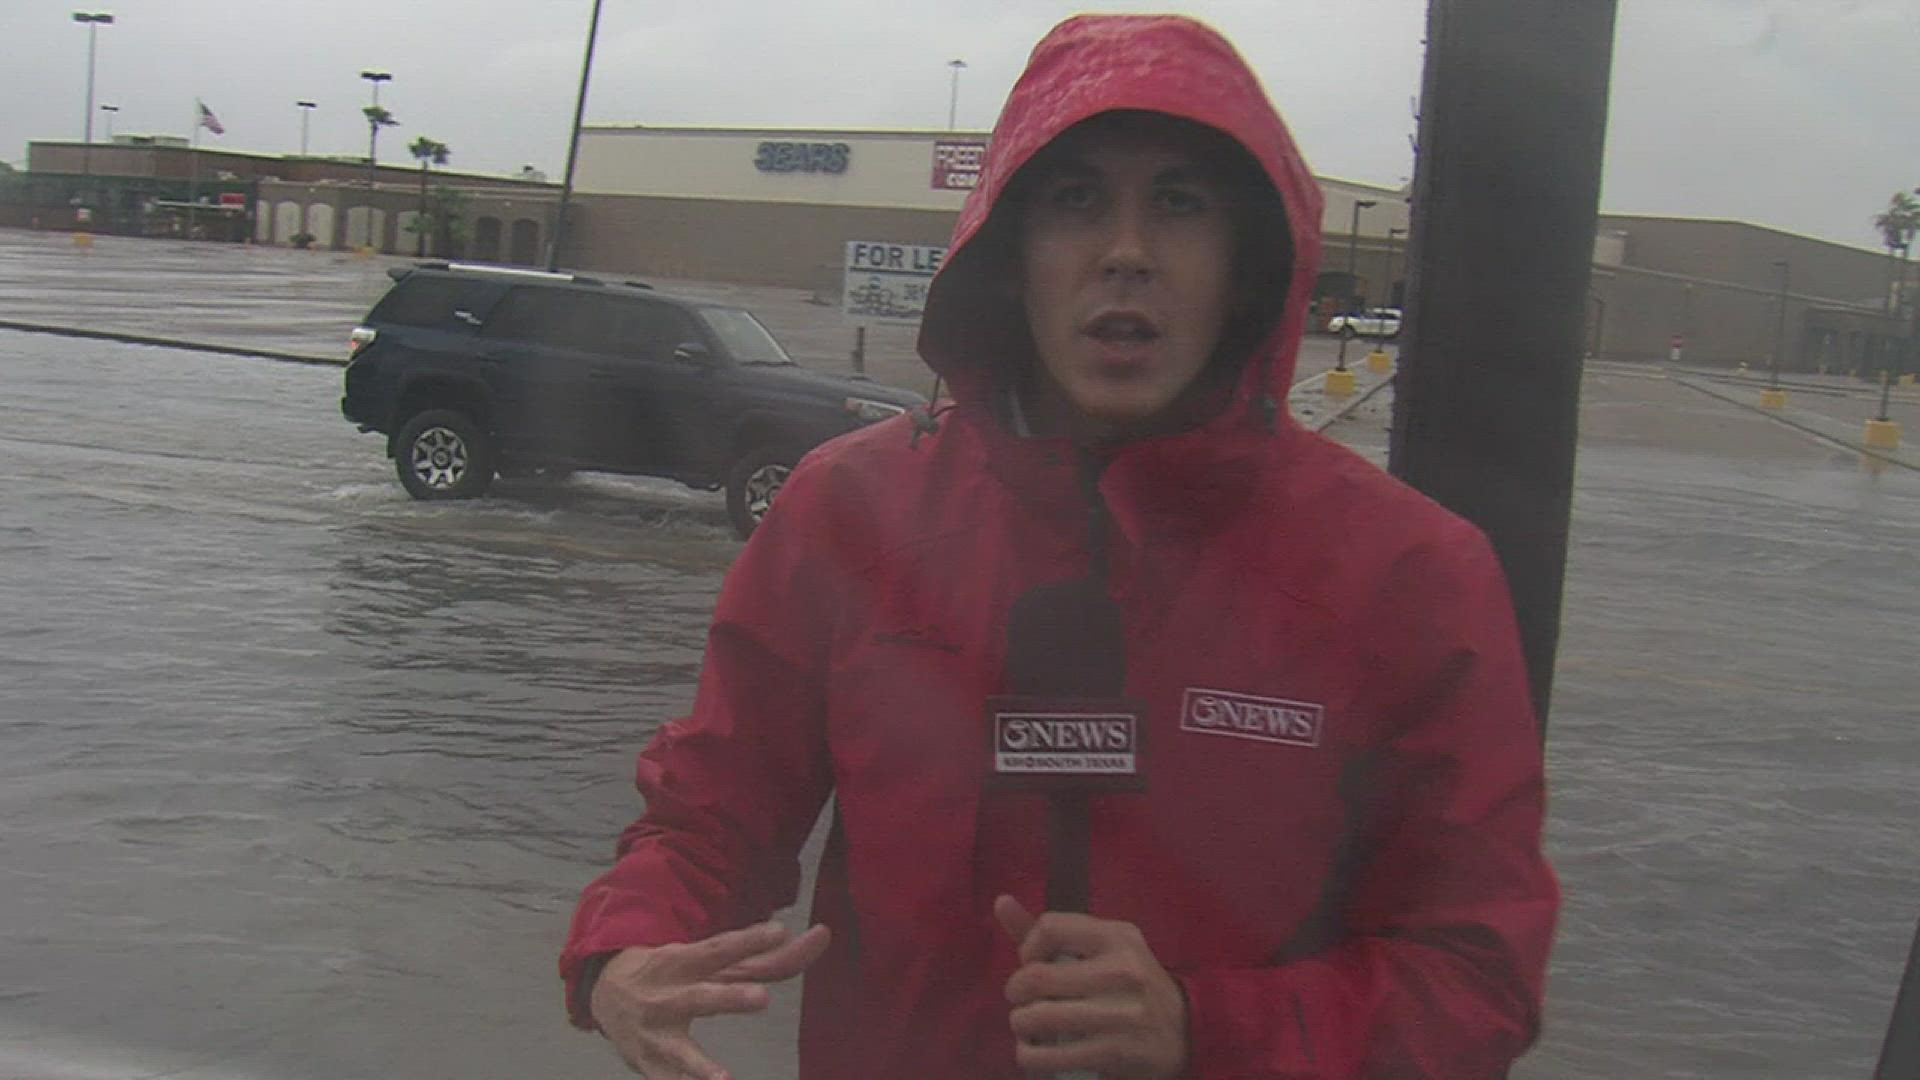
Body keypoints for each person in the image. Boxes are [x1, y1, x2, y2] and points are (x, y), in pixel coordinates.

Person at [561, 14, 1558, 1078]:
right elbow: (714, 809)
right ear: (1009, 251)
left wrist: (1203, 1028)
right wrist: (625, 949)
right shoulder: (848, 511)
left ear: (1246, 263)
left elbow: (1477, 980)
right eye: (1077, 201)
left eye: (1179, 204)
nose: (1125, 254)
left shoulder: (1410, 575)